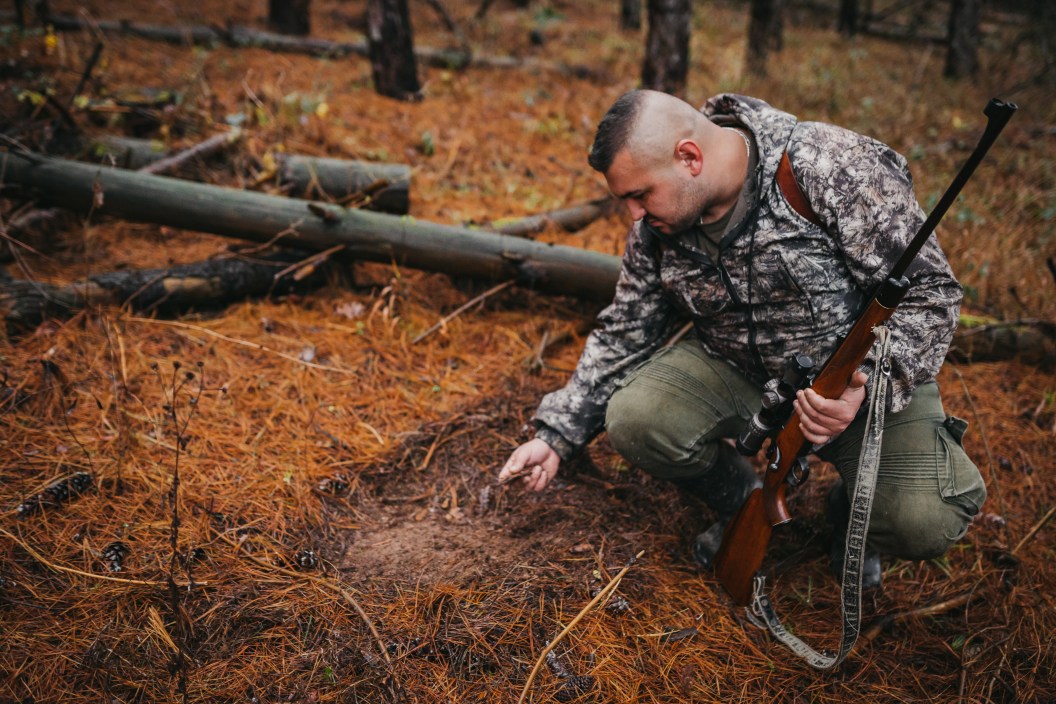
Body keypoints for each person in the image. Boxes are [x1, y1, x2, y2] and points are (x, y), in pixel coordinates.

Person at [497, 89, 986, 586]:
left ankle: (849, 514)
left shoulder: (828, 166)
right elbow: (628, 327)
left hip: (856, 382)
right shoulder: (659, 224)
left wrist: (873, 383)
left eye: (639, 195)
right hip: (737, 371)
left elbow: (932, 291)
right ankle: (743, 500)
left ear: (689, 157)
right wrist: (557, 436)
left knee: (926, 519)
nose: (634, 216)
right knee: (636, 418)